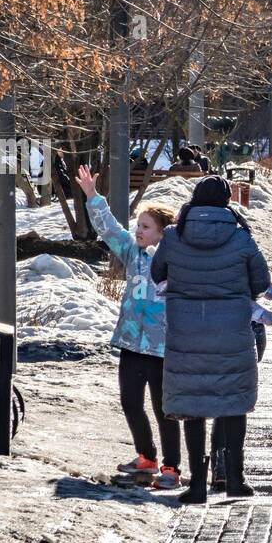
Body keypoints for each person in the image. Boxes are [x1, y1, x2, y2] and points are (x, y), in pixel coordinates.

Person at [151, 176, 271, 503]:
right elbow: (261, 281)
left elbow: (157, 274)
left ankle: (198, 485)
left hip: (186, 335)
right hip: (232, 333)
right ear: (225, 202)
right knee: (232, 405)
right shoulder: (241, 237)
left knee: (193, 407)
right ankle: (234, 478)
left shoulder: (174, 237)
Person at [74, 163, 182, 490]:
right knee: (130, 401)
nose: (139, 232)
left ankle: (171, 467)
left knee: (166, 410)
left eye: (146, 227)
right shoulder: (133, 253)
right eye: (139, 226)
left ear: (162, 232)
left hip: (162, 347)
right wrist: (93, 196)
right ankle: (146, 456)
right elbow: (110, 230)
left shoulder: (175, 259)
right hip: (132, 343)